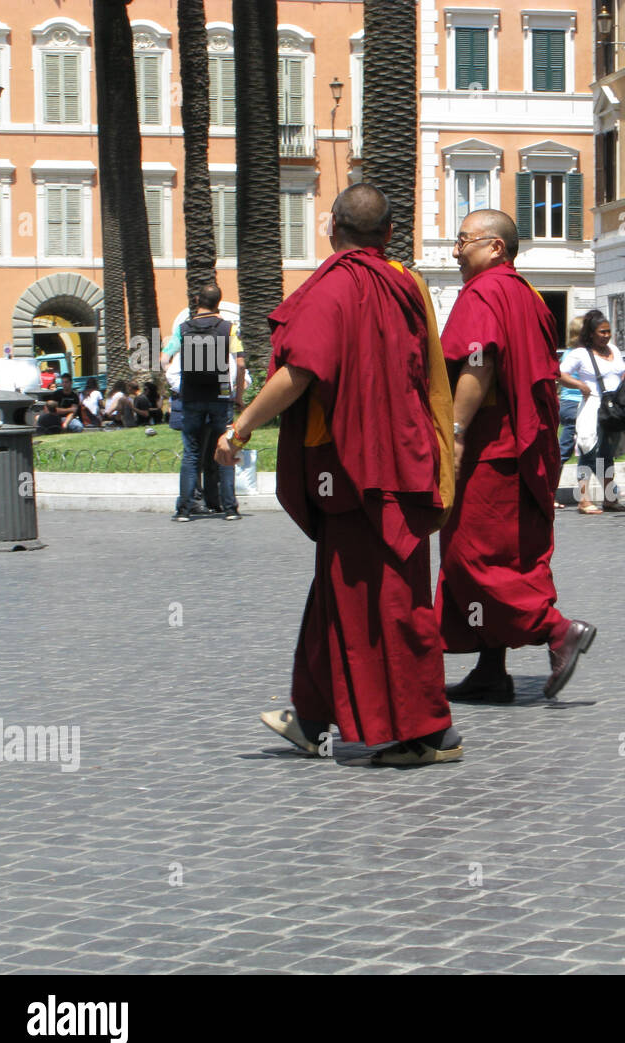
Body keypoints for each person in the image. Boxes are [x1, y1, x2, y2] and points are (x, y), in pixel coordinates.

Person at [216, 182, 461, 766]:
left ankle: (413, 733)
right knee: (345, 593)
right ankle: (313, 716)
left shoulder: (333, 287)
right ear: (390, 235)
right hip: (402, 459)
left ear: (331, 230)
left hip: (353, 472)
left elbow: (300, 370)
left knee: (382, 601)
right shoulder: (406, 285)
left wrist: (241, 427)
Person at [435, 208, 596, 703]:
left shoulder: (484, 292)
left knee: (470, 556)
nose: (456, 251)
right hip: (522, 445)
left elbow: (477, 364)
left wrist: (456, 433)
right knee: (511, 552)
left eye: (464, 241)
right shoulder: (527, 295)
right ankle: (490, 669)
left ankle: (557, 630)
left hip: (490, 446)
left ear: (496, 248)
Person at [172, 284, 246, 521]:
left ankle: (184, 510)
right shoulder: (229, 328)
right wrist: (238, 396)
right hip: (221, 395)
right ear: (219, 302)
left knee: (191, 453)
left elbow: (164, 359)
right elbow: (241, 364)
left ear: (196, 300)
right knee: (225, 449)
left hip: (192, 396)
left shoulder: (183, 329)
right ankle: (230, 508)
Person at [559, 309, 625, 514]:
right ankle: (583, 499)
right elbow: (559, 373)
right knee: (588, 451)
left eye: (608, 332)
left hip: (612, 408)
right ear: (591, 333)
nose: (606, 335)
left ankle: (610, 498)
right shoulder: (581, 353)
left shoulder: (614, 350)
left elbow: (623, 372)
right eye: (602, 332)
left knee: (608, 454)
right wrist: (579, 385)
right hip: (591, 406)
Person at [554, 317, 583, 509]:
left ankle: (609, 491)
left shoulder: (569, 353)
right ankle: (549, 493)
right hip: (575, 405)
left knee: (588, 451)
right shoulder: (577, 354)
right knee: (564, 452)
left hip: (568, 404)